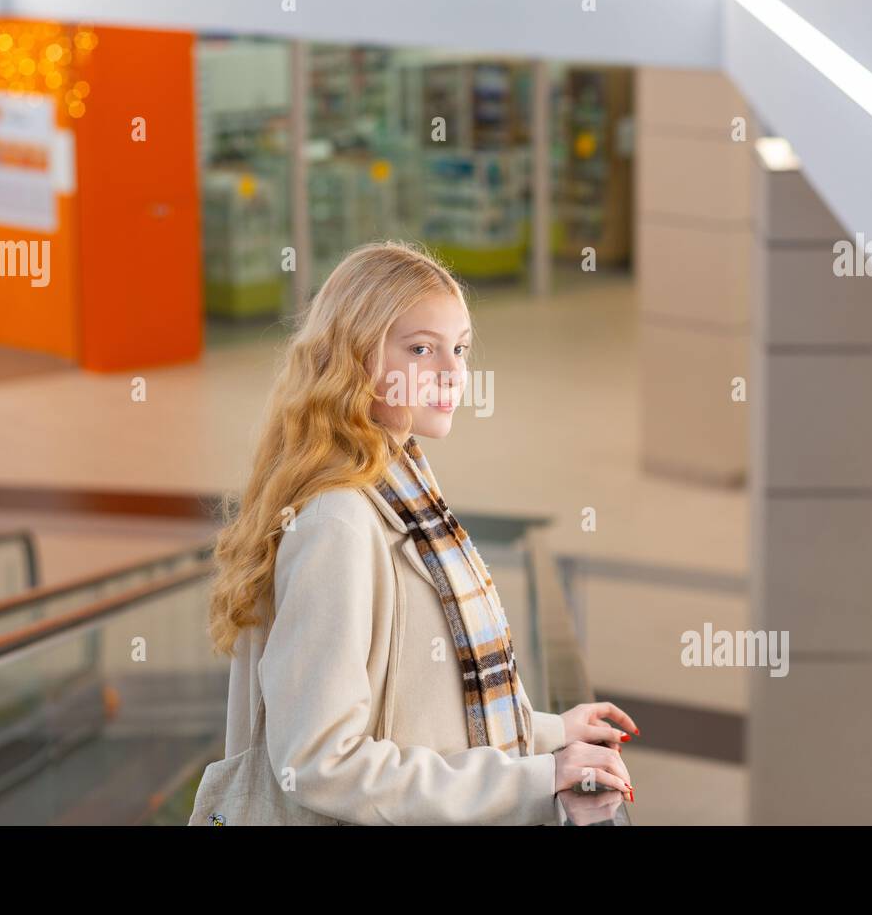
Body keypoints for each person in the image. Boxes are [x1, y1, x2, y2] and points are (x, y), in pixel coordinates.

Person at [208, 239, 636, 825]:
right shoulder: (340, 520)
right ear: (357, 357)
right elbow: (317, 762)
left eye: (459, 348)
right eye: (420, 348)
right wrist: (537, 779)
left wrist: (548, 732)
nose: (453, 373)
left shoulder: (401, 486)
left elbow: (413, 709)